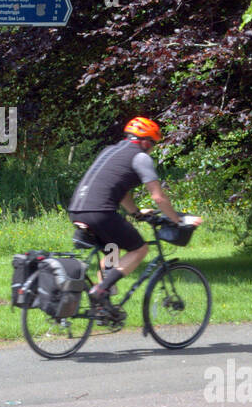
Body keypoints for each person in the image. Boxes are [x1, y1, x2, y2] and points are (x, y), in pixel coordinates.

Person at [67, 116, 201, 318]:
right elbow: (158, 197)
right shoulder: (141, 157)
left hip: (77, 210)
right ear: (146, 142)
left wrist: (137, 214)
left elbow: (121, 193)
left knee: (111, 251)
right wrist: (177, 220)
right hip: (101, 213)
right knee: (140, 248)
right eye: (153, 145)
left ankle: (102, 306)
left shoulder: (109, 151)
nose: (152, 149)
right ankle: (101, 290)